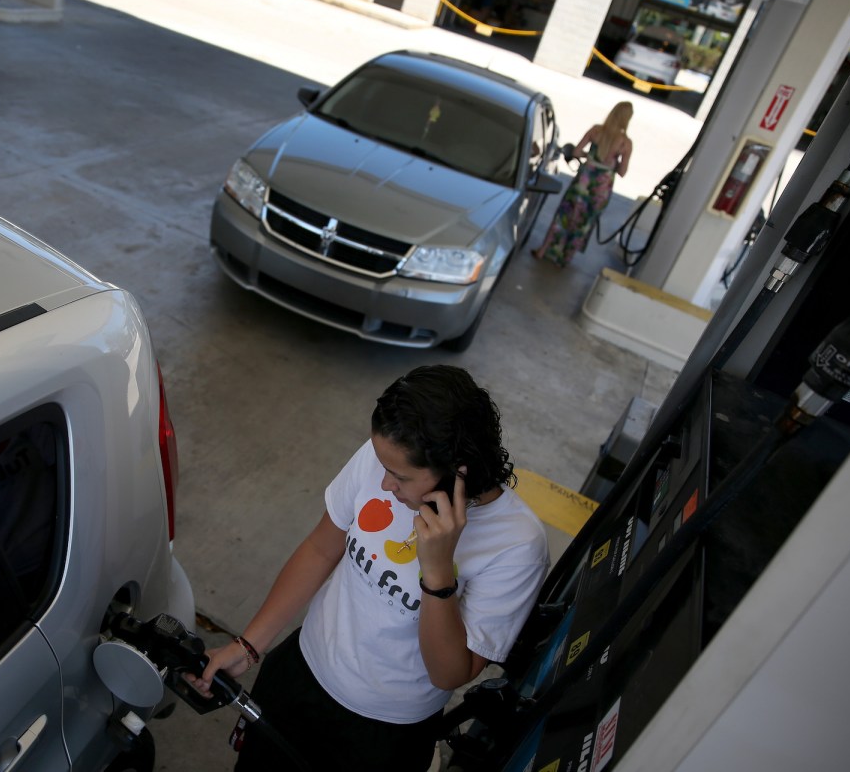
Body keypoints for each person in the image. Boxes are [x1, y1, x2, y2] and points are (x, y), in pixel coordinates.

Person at [187, 365, 549, 772]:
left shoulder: (517, 545)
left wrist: (437, 574)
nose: (384, 485)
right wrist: (249, 645)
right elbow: (321, 549)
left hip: (381, 733)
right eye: (383, 467)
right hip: (301, 674)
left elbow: (449, 673)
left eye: (399, 476)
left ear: (457, 470)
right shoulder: (386, 458)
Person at [532, 101, 634, 267]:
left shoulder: (596, 130)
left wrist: (590, 156)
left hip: (583, 181)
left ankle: (543, 250)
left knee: (564, 214)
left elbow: (576, 152)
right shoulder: (625, 144)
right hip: (600, 188)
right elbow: (622, 172)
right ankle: (564, 259)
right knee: (583, 223)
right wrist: (612, 163)